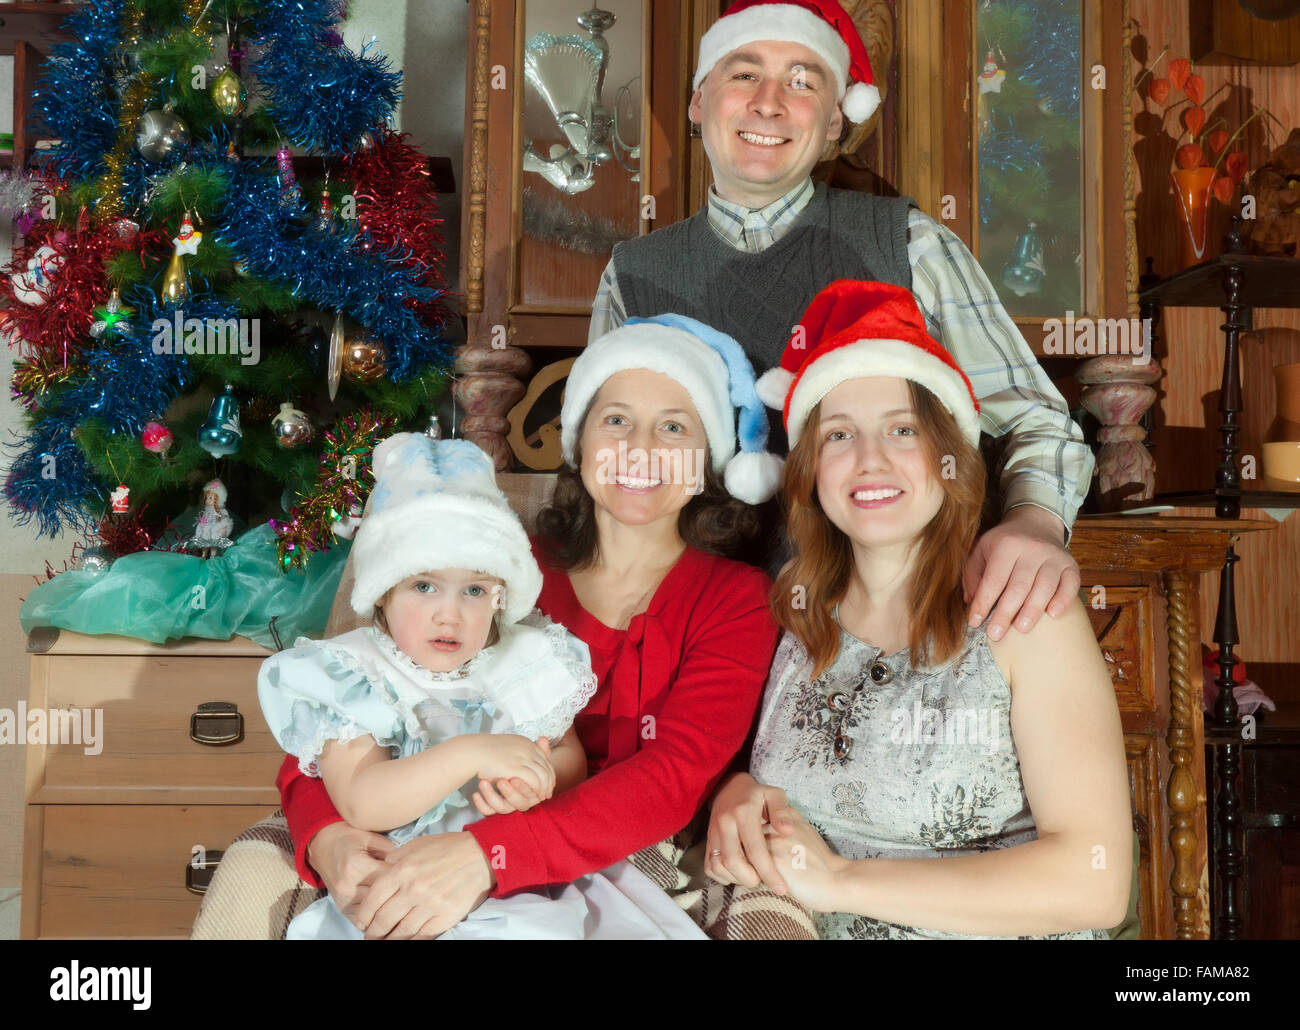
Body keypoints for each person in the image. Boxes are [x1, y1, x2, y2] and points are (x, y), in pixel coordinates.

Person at [592, 0, 1093, 646]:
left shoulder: (910, 247)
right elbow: (604, 480)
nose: (769, 102)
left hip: (896, 634)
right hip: (697, 649)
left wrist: (1033, 521)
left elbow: (1036, 419)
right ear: (698, 101)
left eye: (803, 80)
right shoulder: (631, 276)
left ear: (834, 121)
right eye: (744, 73)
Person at [275, 316, 787, 938]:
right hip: (432, 823)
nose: (639, 449)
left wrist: (486, 855)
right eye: (616, 420)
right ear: (579, 440)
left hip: (603, 853)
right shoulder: (496, 570)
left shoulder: (736, 600)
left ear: (709, 458)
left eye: (674, 427)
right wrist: (329, 840)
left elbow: (674, 776)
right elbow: (341, 716)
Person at [705, 280, 1132, 938]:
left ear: (948, 456)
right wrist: (737, 796)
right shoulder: (793, 607)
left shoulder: (1023, 610)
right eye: (839, 435)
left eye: (902, 430)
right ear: (811, 470)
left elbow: (1094, 881)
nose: (870, 461)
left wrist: (843, 881)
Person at [259, 433, 704, 939]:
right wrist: (473, 753)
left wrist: (536, 780)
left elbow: (565, 754)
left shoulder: (523, 660)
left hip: (516, 877)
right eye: (423, 586)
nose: (450, 614)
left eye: (474, 590)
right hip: (405, 875)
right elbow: (363, 800)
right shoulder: (354, 673)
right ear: (382, 593)